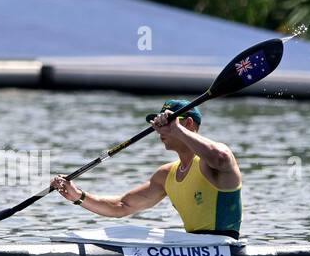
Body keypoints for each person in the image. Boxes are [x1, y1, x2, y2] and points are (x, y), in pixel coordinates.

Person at [50, 99, 243, 237]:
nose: (159, 129)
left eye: (166, 122)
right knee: (130, 232)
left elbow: (221, 157)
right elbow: (122, 206)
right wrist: (77, 196)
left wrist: (177, 129)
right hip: (194, 255)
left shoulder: (211, 162)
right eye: (158, 124)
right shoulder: (166, 174)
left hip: (223, 247)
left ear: (189, 123)